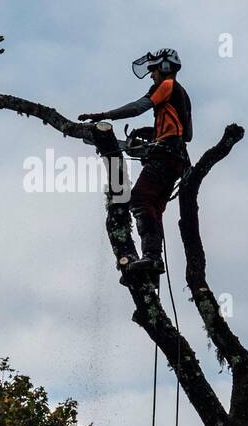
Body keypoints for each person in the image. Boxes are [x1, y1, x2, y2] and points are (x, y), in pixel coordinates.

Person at [79, 49, 192, 283]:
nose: (152, 76)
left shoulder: (168, 85)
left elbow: (139, 107)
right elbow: (186, 134)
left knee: (139, 199)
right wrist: (152, 141)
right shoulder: (181, 96)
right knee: (153, 209)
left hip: (168, 156)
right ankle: (153, 264)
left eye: (154, 70)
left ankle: (151, 256)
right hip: (176, 159)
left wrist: (105, 114)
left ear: (165, 67)